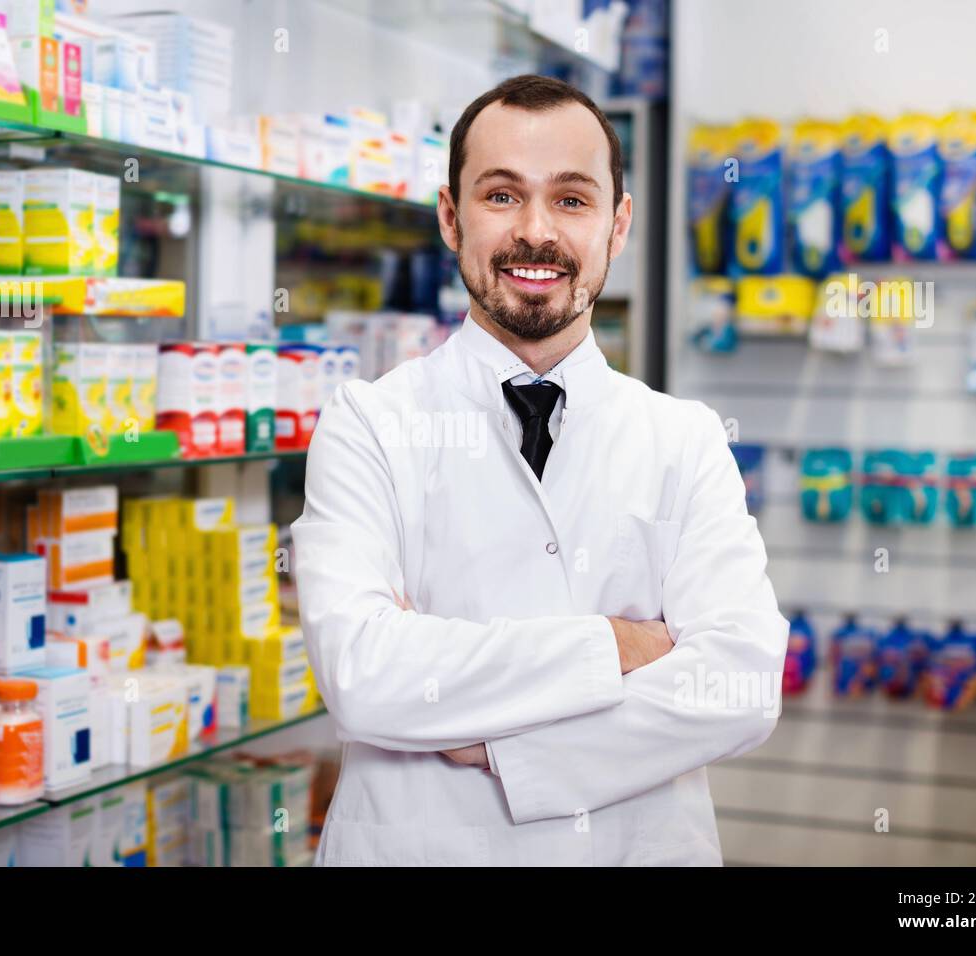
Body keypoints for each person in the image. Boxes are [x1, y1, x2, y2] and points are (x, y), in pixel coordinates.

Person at [291, 74, 788, 866]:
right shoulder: (370, 425)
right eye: (500, 196)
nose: (535, 232)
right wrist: (620, 645)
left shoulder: (684, 439)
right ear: (451, 219)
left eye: (571, 199)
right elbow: (365, 675)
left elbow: (737, 687)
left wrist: (506, 750)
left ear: (617, 225)